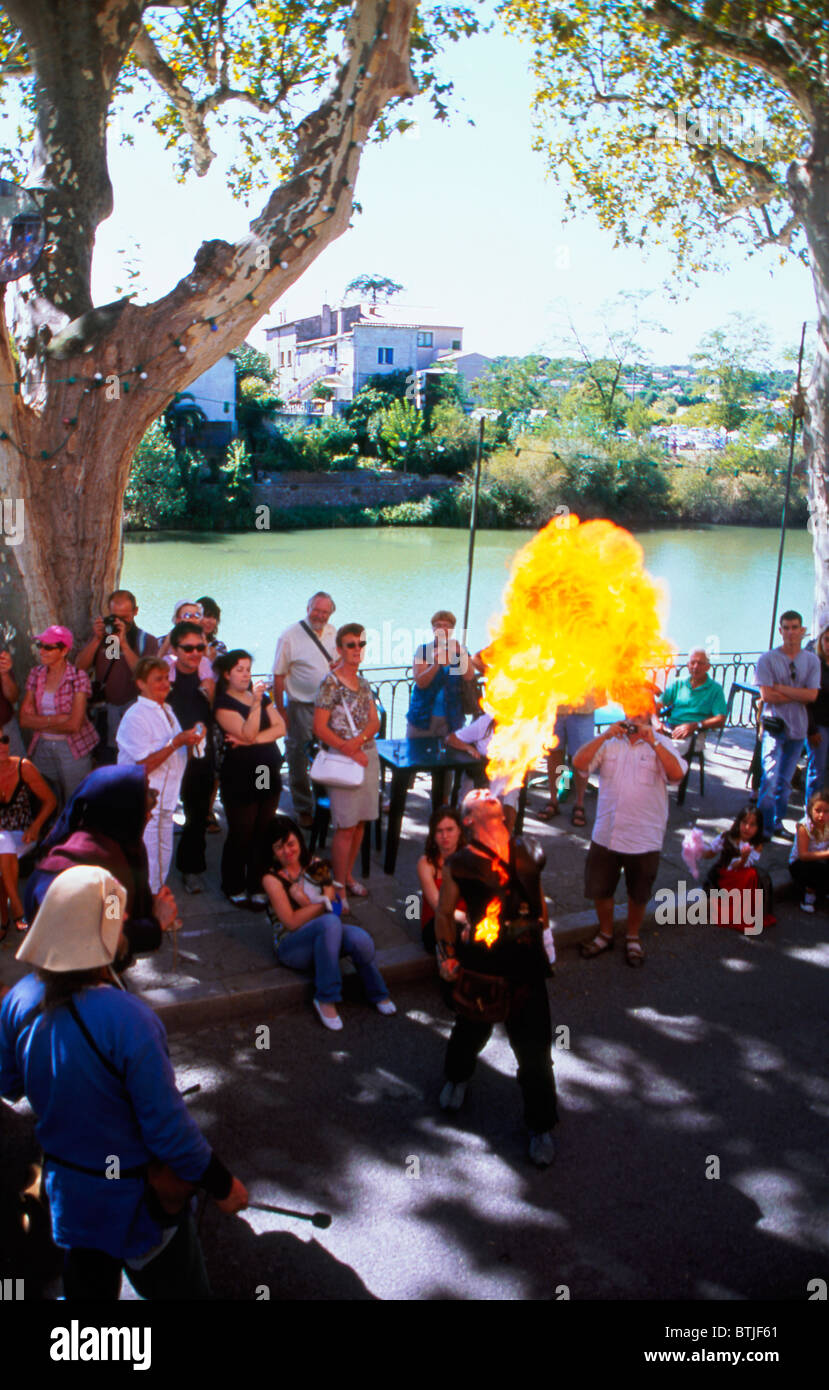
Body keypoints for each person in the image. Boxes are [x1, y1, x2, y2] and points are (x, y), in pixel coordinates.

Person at [0, 866, 248, 1300]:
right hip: (137, 1205)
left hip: (72, 1199)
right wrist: (224, 1186)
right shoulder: (131, 1020)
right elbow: (169, 1133)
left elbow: (10, 1084)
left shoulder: (17, 1001)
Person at [434, 789, 558, 1167]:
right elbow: (442, 914)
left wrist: (545, 939)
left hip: (526, 966)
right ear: (469, 819)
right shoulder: (461, 863)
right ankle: (457, 1077)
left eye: (490, 795)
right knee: (470, 1031)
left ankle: (540, 1125)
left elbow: (539, 903)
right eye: (478, 797)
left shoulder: (529, 849)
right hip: (481, 964)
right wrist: (447, 956)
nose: (488, 794)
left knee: (535, 1051)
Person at [24, 764, 180, 961]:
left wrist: (149, 904)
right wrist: (157, 922)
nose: (150, 813)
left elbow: (112, 918)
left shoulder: (106, 846)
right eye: (144, 806)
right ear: (121, 812)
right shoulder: (103, 871)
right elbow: (110, 933)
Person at [573, 709, 686, 967]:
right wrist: (603, 735)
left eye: (643, 710)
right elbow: (579, 764)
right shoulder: (610, 742)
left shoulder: (663, 742)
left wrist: (653, 741)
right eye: (633, 709)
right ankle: (606, 934)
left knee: (639, 892)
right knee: (600, 889)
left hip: (644, 836)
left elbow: (677, 775)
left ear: (651, 714)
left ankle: (633, 936)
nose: (637, 716)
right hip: (607, 833)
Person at [263, 815, 395, 1031]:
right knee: (329, 923)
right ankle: (326, 997)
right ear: (272, 852)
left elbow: (336, 908)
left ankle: (378, 993)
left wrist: (308, 902)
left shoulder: (315, 864)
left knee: (360, 939)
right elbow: (291, 922)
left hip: (324, 935)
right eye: (279, 847)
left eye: (290, 843)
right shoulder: (271, 879)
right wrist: (322, 903)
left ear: (299, 840)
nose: (287, 851)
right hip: (291, 946)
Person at [115, 657, 202, 893]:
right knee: (149, 861)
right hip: (144, 803)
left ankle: (156, 905)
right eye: (158, 680)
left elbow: (179, 753)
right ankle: (151, 910)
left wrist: (192, 742)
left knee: (163, 856)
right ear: (141, 684)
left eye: (166, 678)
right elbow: (141, 767)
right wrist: (176, 742)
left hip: (166, 801)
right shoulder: (135, 717)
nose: (165, 684)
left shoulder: (168, 710)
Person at [313, 623, 380, 913]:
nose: (356, 650)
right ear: (339, 650)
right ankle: (338, 888)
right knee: (345, 826)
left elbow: (374, 721)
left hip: (367, 756)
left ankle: (348, 875)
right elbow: (319, 727)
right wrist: (349, 748)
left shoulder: (363, 683)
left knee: (361, 822)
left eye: (360, 644)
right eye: (350, 645)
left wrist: (360, 741)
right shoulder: (330, 683)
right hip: (344, 761)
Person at [214, 649, 284, 907]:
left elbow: (280, 727)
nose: (245, 675)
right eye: (239, 670)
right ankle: (232, 883)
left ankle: (258, 882)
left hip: (266, 770)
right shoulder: (223, 704)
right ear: (227, 674)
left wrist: (252, 740)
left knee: (262, 829)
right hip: (240, 774)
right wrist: (255, 705)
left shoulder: (263, 697)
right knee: (242, 830)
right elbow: (246, 729)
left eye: (248, 669)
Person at [272, 592, 337, 829]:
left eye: (324, 612)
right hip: (300, 706)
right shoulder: (290, 635)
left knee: (330, 755)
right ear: (307, 607)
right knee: (298, 756)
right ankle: (303, 807)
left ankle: (328, 803)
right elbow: (278, 676)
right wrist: (281, 711)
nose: (319, 615)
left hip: (329, 706)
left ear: (331, 613)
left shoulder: (334, 633)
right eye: (316, 610)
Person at [756, 611, 820, 839]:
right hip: (775, 728)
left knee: (784, 781)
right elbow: (766, 694)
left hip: (798, 729)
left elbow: (812, 696)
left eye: (795, 627)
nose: (791, 632)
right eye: (786, 627)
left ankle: (777, 823)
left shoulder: (812, 661)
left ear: (802, 630)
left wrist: (780, 688)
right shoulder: (767, 660)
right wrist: (797, 694)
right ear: (780, 631)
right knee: (770, 778)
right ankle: (762, 828)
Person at [19, 626, 99, 807]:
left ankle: (72, 835)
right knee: (47, 800)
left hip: (73, 749)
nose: (41, 650)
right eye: (40, 645)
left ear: (64, 651)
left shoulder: (78, 677)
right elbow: (24, 720)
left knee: (74, 801)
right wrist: (58, 719)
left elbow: (74, 726)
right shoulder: (36, 674)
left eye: (48, 647)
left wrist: (38, 721)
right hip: (42, 746)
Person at [76, 590, 159, 756]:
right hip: (105, 714)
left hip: (135, 715)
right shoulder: (108, 639)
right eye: (115, 616)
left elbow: (146, 676)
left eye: (125, 617)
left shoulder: (145, 640)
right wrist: (97, 639)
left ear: (135, 612)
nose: (120, 622)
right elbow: (79, 667)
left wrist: (125, 645)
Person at [166, 622, 214, 894]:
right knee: (157, 814)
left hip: (199, 756)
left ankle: (191, 868)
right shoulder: (164, 678)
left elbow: (218, 711)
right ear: (175, 649)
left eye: (200, 647)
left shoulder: (209, 677)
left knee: (197, 815)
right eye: (188, 648)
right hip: (169, 755)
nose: (195, 653)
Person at [0, 734, 57, 936]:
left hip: (22, 833)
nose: (3, 745)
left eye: (5, 739)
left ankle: (7, 915)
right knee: (2, 844)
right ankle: (16, 908)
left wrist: (36, 825)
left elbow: (50, 800)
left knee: (3, 844)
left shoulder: (23, 767)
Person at [406, 610, 477, 739]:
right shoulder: (423, 651)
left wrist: (461, 653)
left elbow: (469, 677)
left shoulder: (459, 650)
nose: (442, 629)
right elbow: (421, 682)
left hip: (452, 719)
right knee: (417, 756)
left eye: (447, 625)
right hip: (423, 717)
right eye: (438, 625)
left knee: (451, 757)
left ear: (452, 630)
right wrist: (436, 664)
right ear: (433, 629)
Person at [700, 804, 774, 926]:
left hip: (740, 877)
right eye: (744, 822)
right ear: (739, 822)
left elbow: (738, 866)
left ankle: (738, 913)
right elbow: (710, 853)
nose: (747, 827)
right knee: (748, 875)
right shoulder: (727, 837)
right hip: (722, 875)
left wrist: (744, 858)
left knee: (751, 874)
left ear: (758, 828)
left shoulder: (756, 846)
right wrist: (697, 850)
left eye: (752, 825)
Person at [445, 712, 520, 830]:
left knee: (508, 812)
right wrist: (468, 748)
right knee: (468, 812)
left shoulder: (524, 726)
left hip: (507, 774)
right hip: (479, 773)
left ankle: (504, 841)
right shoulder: (485, 722)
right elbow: (451, 739)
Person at [538, 697, 599, 827]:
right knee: (554, 753)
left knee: (581, 755)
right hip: (553, 702)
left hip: (583, 703)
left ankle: (579, 803)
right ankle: (553, 800)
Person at [654, 648, 727, 756]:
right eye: (693, 662)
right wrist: (657, 722)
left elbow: (721, 719)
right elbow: (657, 706)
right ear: (688, 665)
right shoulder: (678, 683)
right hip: (670, 729)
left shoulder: (715, 689)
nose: (695, 667)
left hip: (695, 734)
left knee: (666, 751)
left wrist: (695, 725)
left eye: (700, 663)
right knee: (645, 744)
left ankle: (672, 772)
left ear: (708, 667)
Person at [416, 804, 467, 954]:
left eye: (450, 830)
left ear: (459, 831)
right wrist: (469, 920)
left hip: (466, 921)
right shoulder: (426, 863)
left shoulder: (468, 857)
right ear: (433, 835)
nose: (445, 836)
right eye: (439, 831)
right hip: (436, 924)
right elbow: (439, 906)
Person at [789, 789, 829, 912]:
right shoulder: (805, 826)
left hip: (822, 860)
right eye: (818, 811)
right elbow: (803, 855)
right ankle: (808, 896)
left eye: (826, 811)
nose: (821, 815)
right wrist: (827, 854)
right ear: (811, 810)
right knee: (812, 868)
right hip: (801, 864)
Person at [805, 624, 829, 801]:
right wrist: (811, 730)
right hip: (818, 724)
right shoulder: (815, 664)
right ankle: (811, 817)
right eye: (827, 640)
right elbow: (806, 701)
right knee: (817, 772)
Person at [197, 596, 227, 667]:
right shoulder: (181, 642)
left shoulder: (219, 646)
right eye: (207, 616)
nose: (211, 621)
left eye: (214, 617)